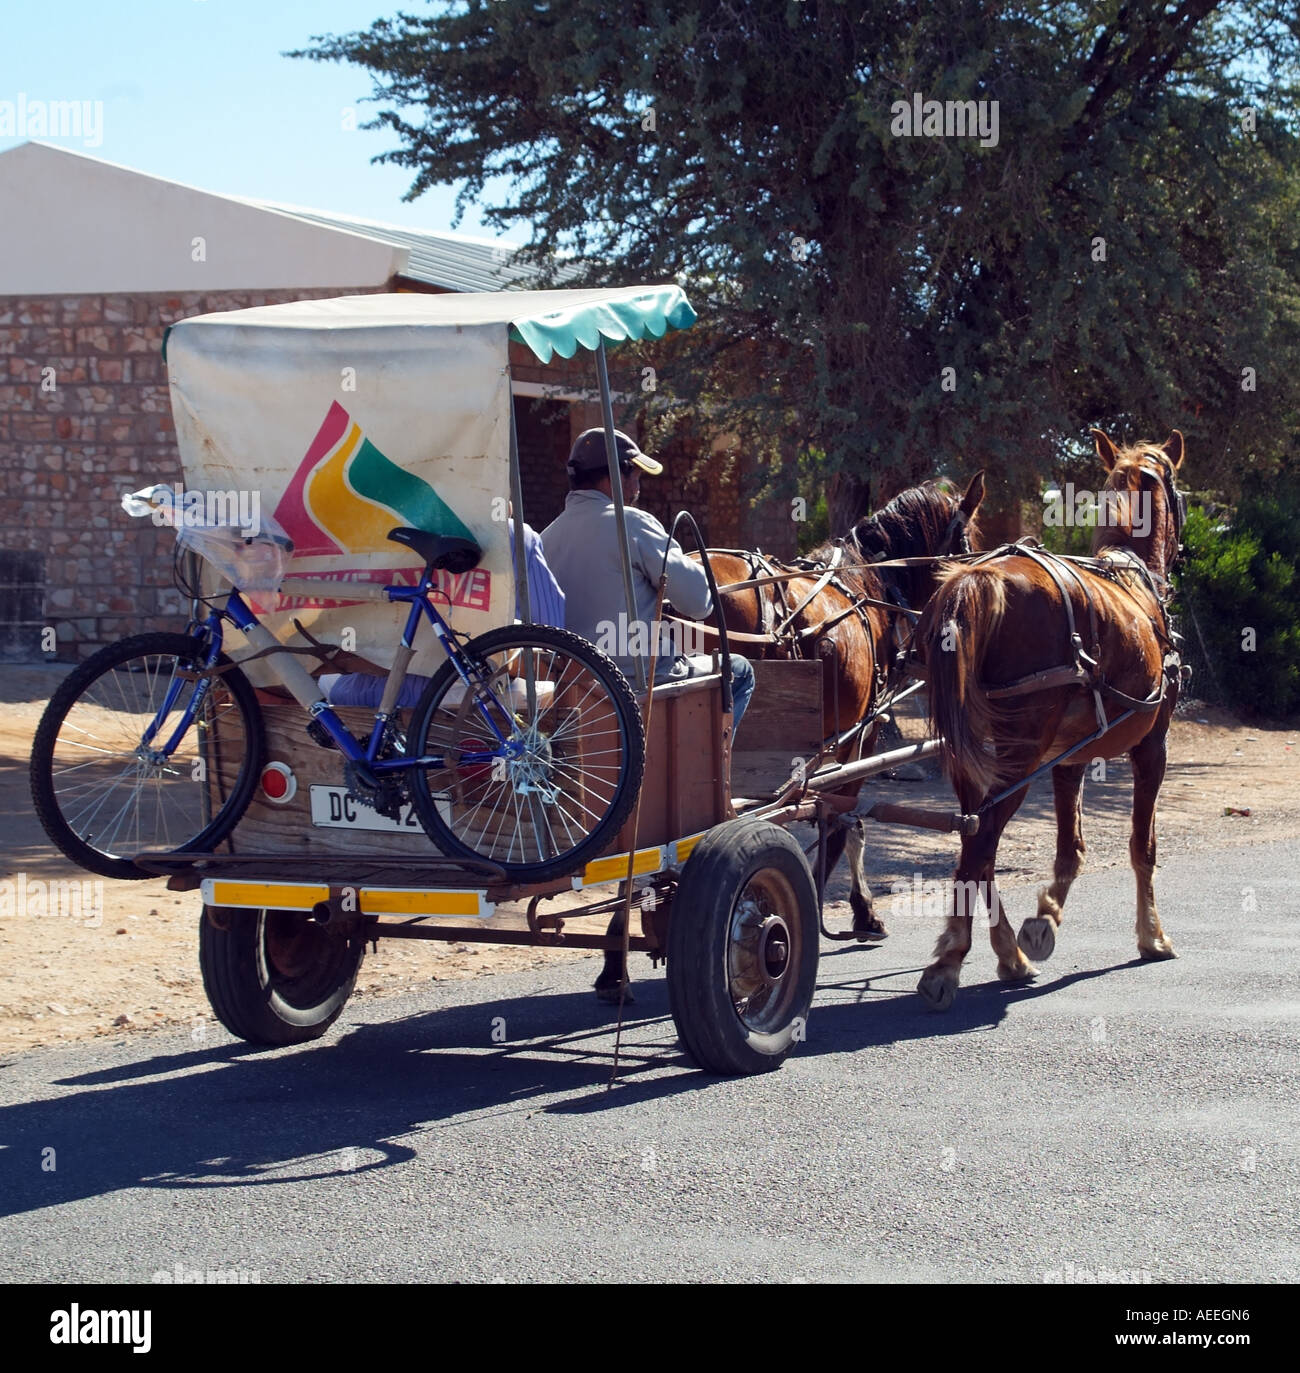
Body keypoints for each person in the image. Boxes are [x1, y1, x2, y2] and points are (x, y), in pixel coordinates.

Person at [540, 427, 753, 730]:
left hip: (574, 686)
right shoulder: (633, 523)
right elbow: (699, 604)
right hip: (634, 681)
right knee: (741, 671)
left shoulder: (546, 538)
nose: (637, 489)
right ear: (615, 476)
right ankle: (713, 769)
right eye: (635, 477)